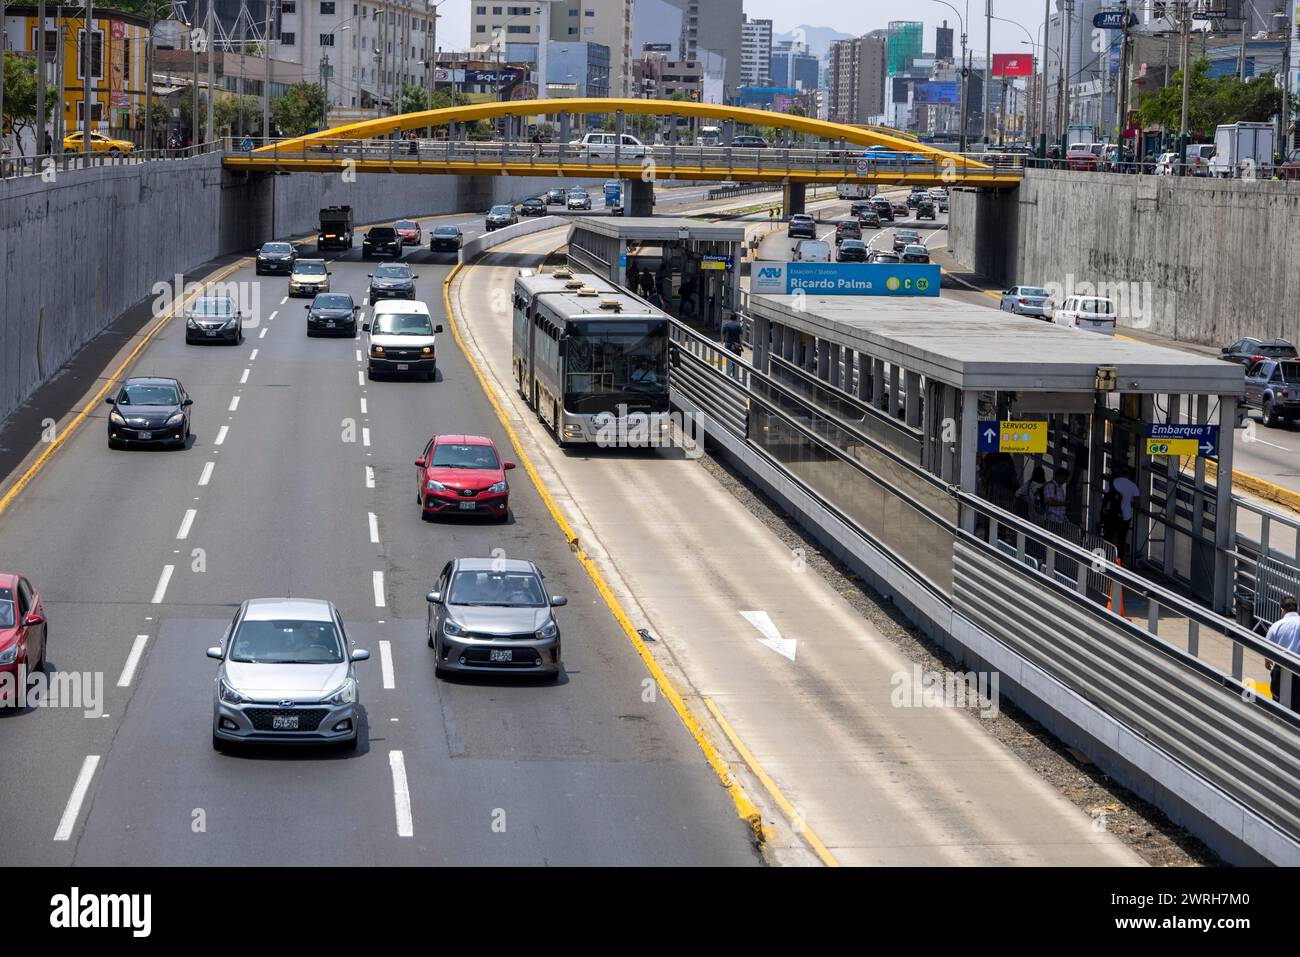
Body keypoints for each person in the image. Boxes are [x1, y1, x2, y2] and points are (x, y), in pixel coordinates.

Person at [1265, 595, 1300, 710]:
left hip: (1281, 668)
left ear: (1282, 610)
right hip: (1298, 668)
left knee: (1278, 702)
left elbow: (1267, 647)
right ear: (1297, 609)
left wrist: (1268, 661)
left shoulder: (1277, 625)